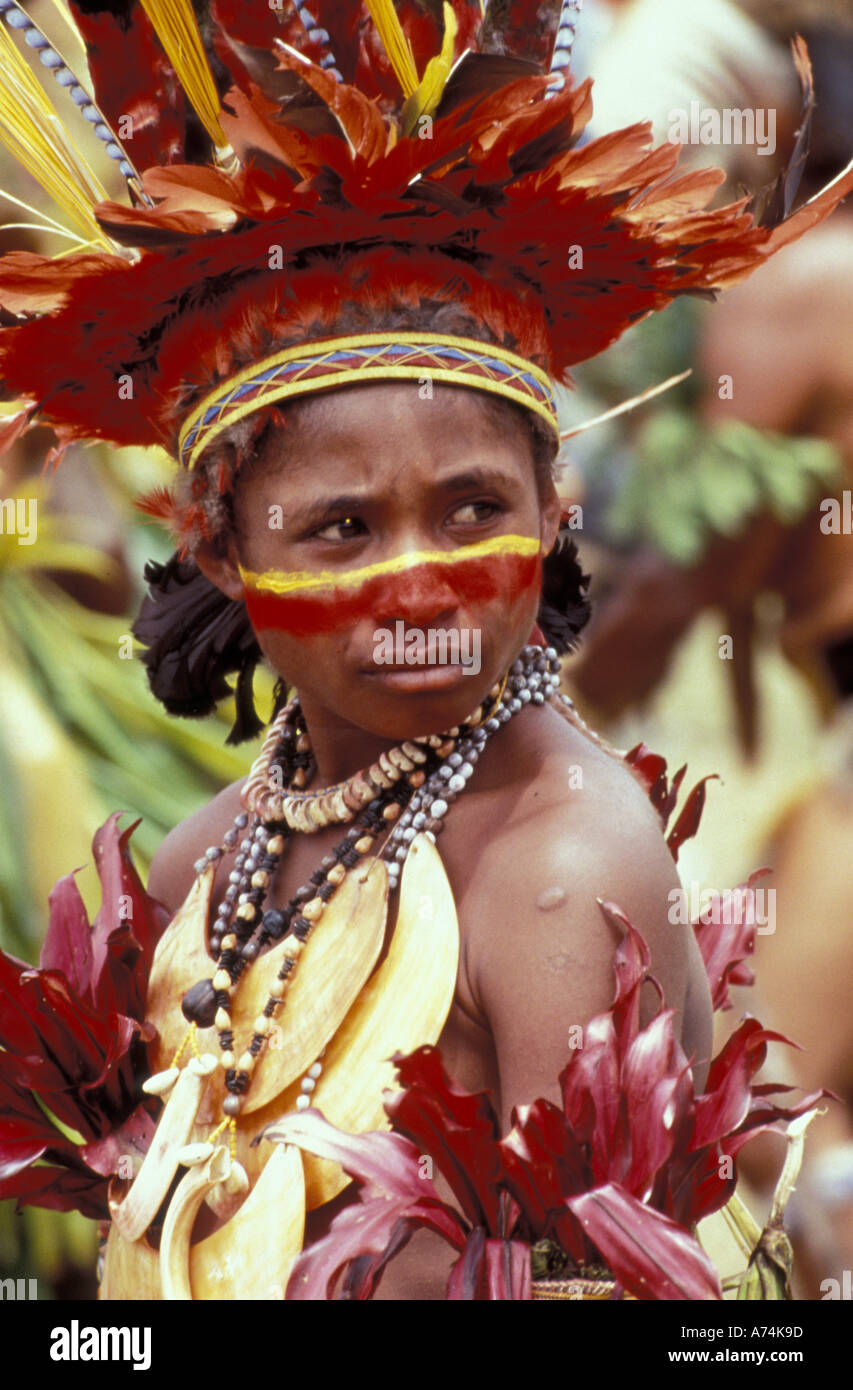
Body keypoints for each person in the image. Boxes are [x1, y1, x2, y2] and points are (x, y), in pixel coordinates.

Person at [0, 0, 851, 1300]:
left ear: (553, 509)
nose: (419, 582)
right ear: (219, 545)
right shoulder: (203, 858)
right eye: (341, 526)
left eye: (473, 508)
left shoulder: (553, 865)